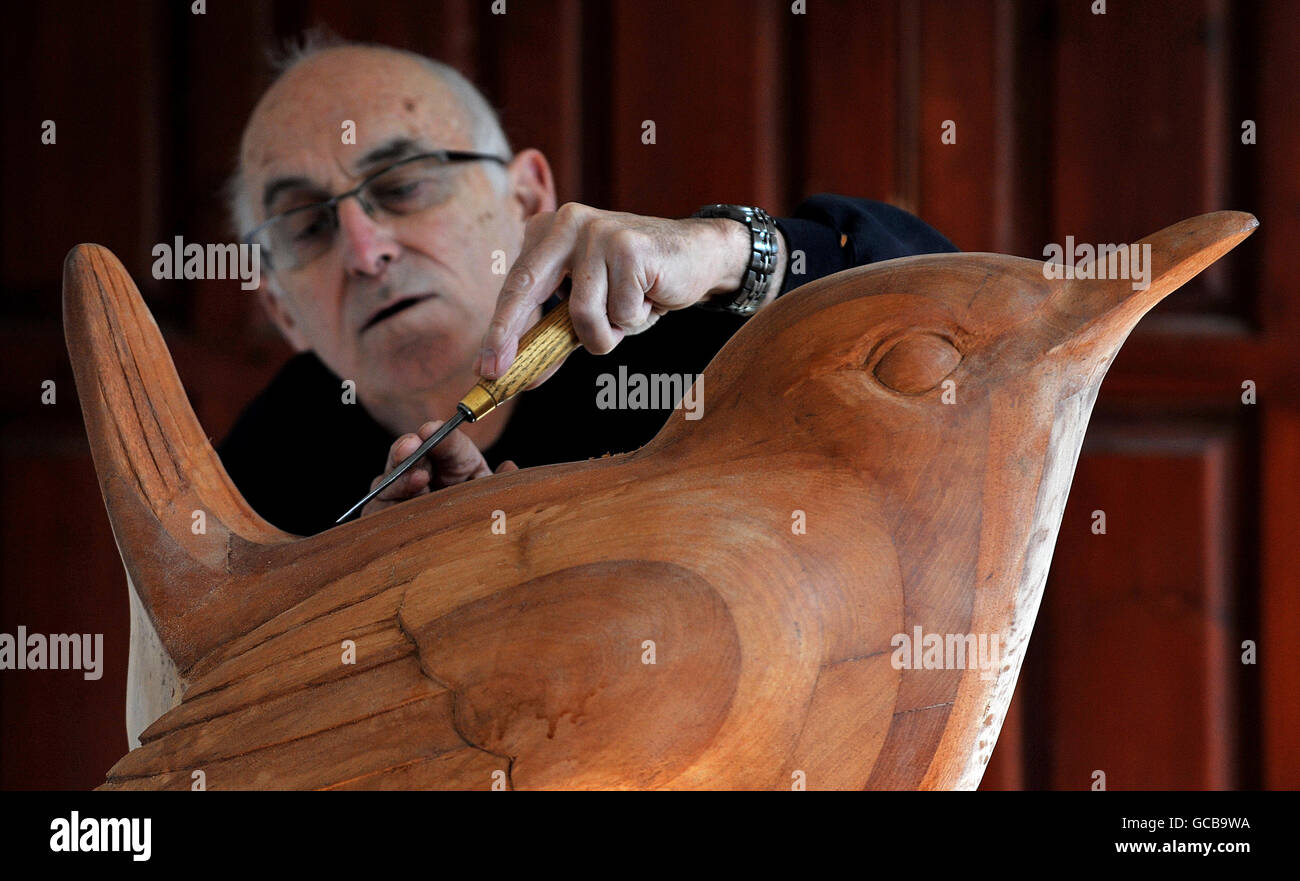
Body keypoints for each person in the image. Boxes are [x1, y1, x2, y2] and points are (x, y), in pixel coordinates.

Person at [218, 36, 957, 536]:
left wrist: (732, 253)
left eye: (404, 184)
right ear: (280, 306)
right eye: (304, 229)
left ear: (529, 199)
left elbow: (961, 313)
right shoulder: (254, 486)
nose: (364, 250)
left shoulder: (683, 325)